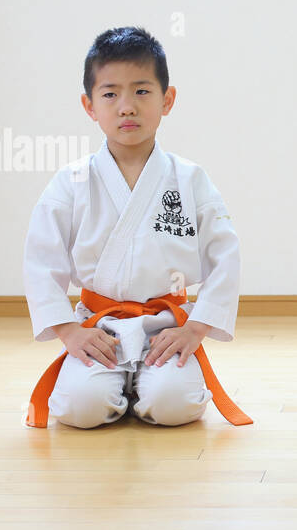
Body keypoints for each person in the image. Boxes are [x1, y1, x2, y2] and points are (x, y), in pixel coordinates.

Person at [24, 26, 250, 428]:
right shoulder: (71, 181)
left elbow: (224, 257)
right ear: (89, 106)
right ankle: (111, 382)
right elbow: (42, 261)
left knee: (173, 405)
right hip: (100, 328)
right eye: (110, 94)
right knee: (81, 408)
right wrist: (69, 331)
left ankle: (148, 383)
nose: (126, 106)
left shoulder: (190, 179)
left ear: (168, 100)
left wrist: (194, 329)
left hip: (165, 329)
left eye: (142, 92)